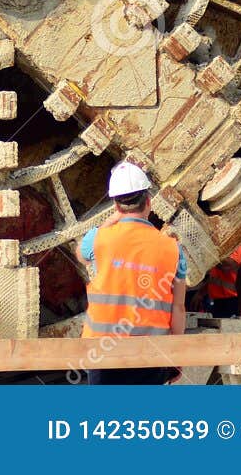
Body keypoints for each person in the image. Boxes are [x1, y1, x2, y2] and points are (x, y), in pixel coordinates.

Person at [78, 162, 187, 385]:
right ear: (148, 202)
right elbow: (178, 307)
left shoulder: (98, 238)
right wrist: (175, 355)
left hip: (102, 351)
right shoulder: (173, 249)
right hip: (150, 354)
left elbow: (80, 254)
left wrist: (110, 222)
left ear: (116, 205)